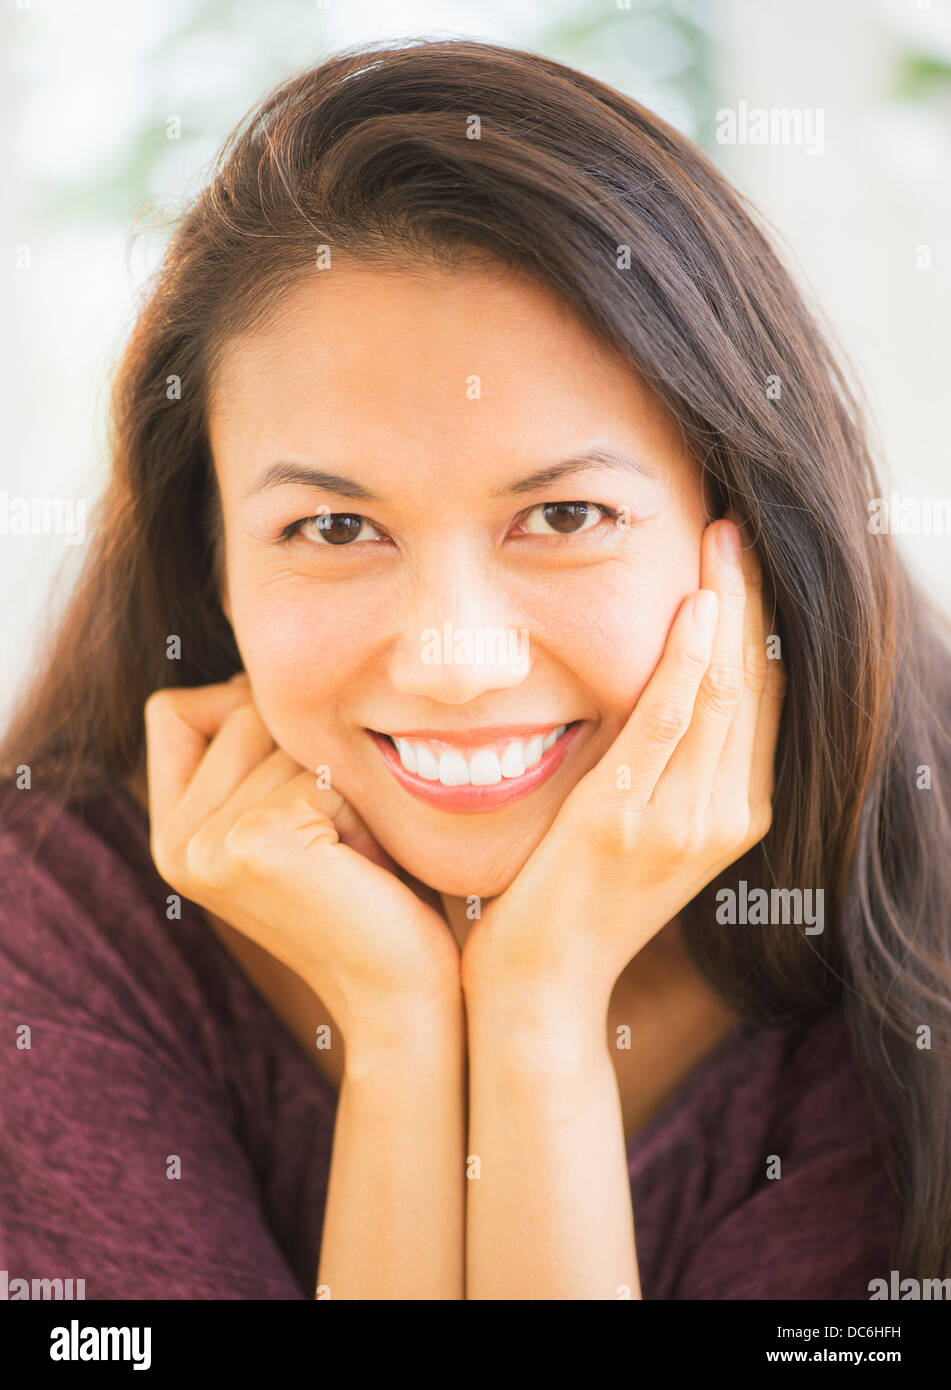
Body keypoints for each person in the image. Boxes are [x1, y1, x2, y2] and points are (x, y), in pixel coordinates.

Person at [1, 37, 948, 1301]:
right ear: (212, 560)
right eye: (335, 529)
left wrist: (536, 1007)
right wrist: (402, 1031)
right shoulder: (54, 942)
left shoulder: (914, 951)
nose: (454, 663)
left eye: (563, 517)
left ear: (751, 535)